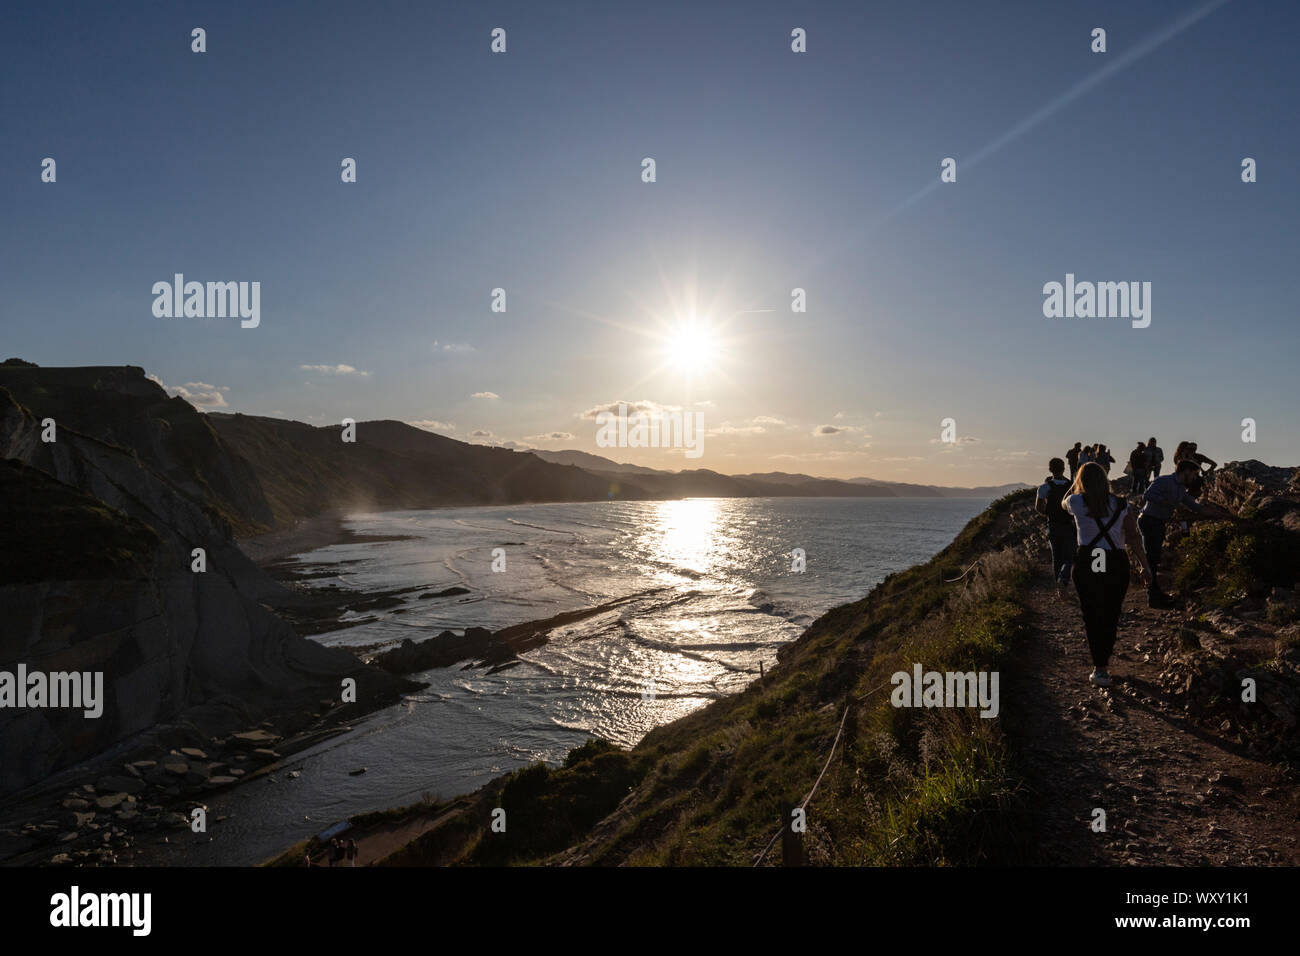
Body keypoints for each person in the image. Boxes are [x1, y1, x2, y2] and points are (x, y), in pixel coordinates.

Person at [1060, 462, 1153, 687]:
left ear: (1080, 481)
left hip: (1088, 560)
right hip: (1114, 561)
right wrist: (1145, 566)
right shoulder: (1122, 505)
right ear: (1105, 480)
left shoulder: (1075, 501)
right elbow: (1133, 537)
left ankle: (1098, 668)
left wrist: (1075, 483)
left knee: (1091, 614)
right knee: (1111, 613)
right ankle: (1103, 665)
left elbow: (1062, 502)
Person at [1139, 458, 1229, 608]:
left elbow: (1195, 506)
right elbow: (1147, 495)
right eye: (1194, 474)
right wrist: (1168, 502)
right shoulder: (1164, 481)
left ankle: (1155, 593)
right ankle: (1153, 598)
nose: (1194, 478)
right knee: (1152, 559)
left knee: (1154, 558)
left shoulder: (1180, 489)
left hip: (1159, 522)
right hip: (1149, 521)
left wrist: (1219, 514)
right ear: (1186, 471)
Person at [1036, 458, 1077, 587]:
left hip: (1053, 524)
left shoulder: (1044, 487)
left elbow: (1038, 507)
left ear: (1050, 469)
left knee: (1056, 556)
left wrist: (1048, 513)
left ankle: (1059, 585)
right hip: (1069, 524)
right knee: (1069, 555)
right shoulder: (1072, 486)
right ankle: (1065, 577)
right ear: (1064, 468)